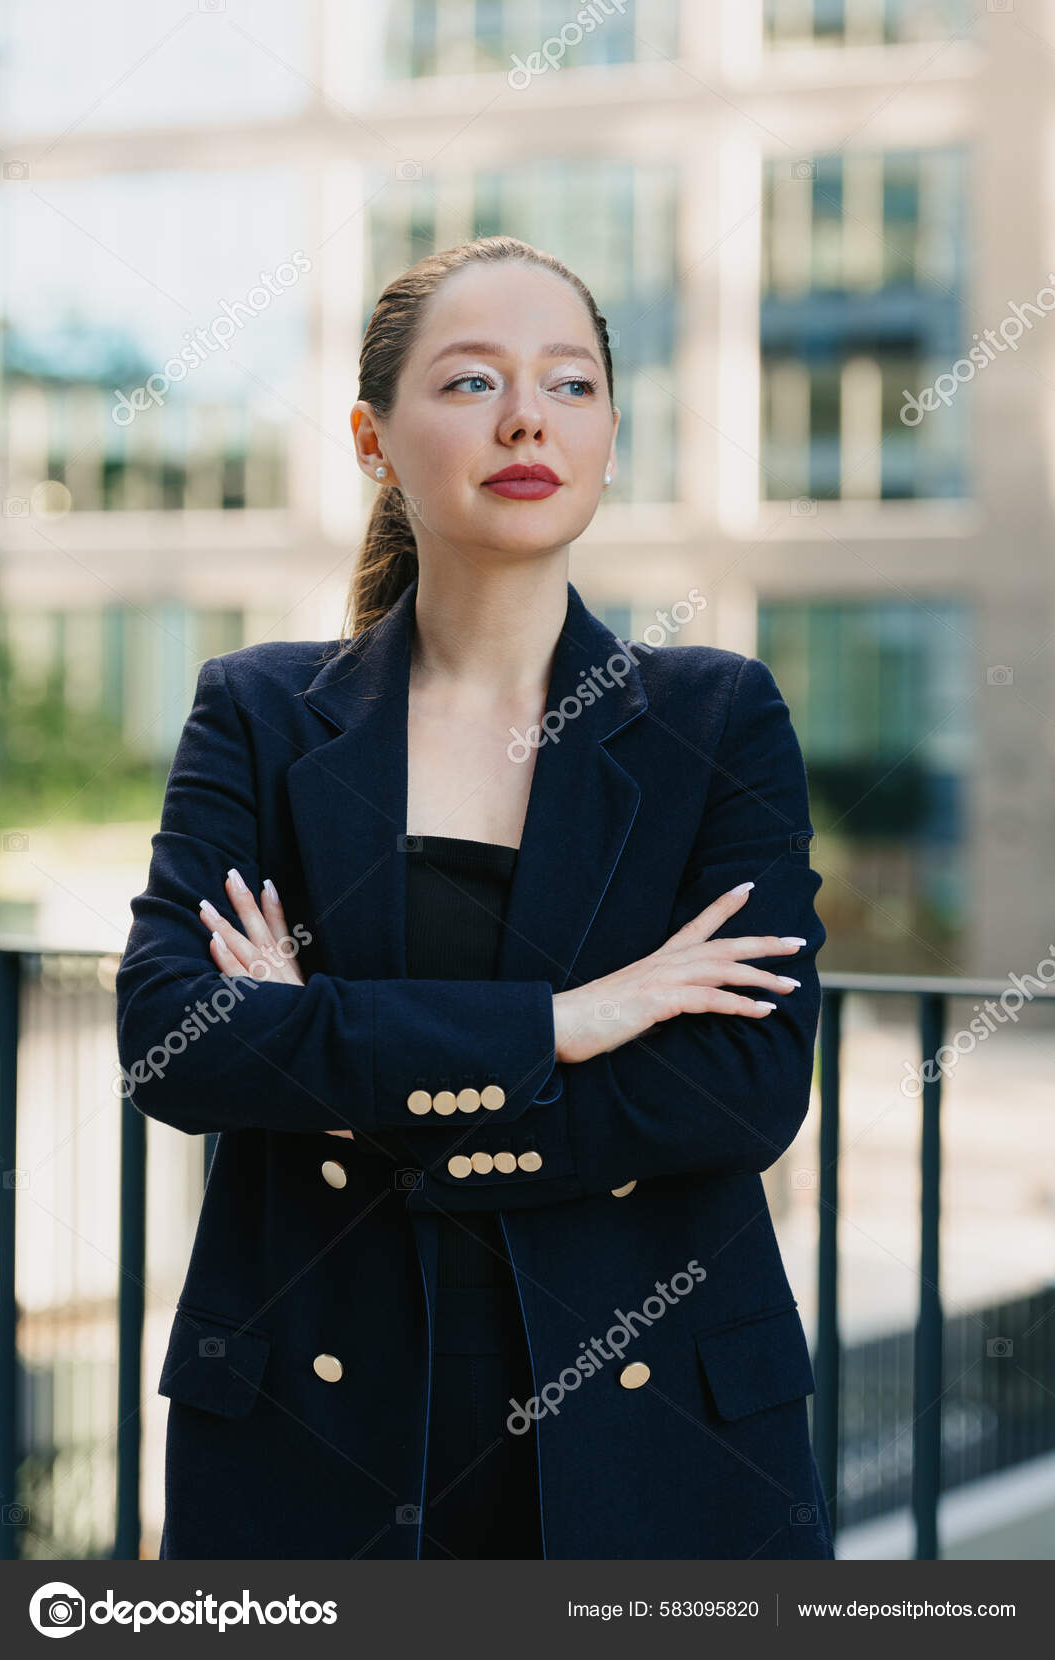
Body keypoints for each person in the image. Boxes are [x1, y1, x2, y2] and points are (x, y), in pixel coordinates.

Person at [115, 235, 836, 1561]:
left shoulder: (715, 716)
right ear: (370, 439)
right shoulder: (261, 710)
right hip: (316, 1421)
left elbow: (742, 1085)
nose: (524, 419)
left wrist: (332, 1044)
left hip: (657, 1423)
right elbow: (176, 1040)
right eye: (467, 383)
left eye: (568, 385)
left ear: (610, 434)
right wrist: (561, 1024)